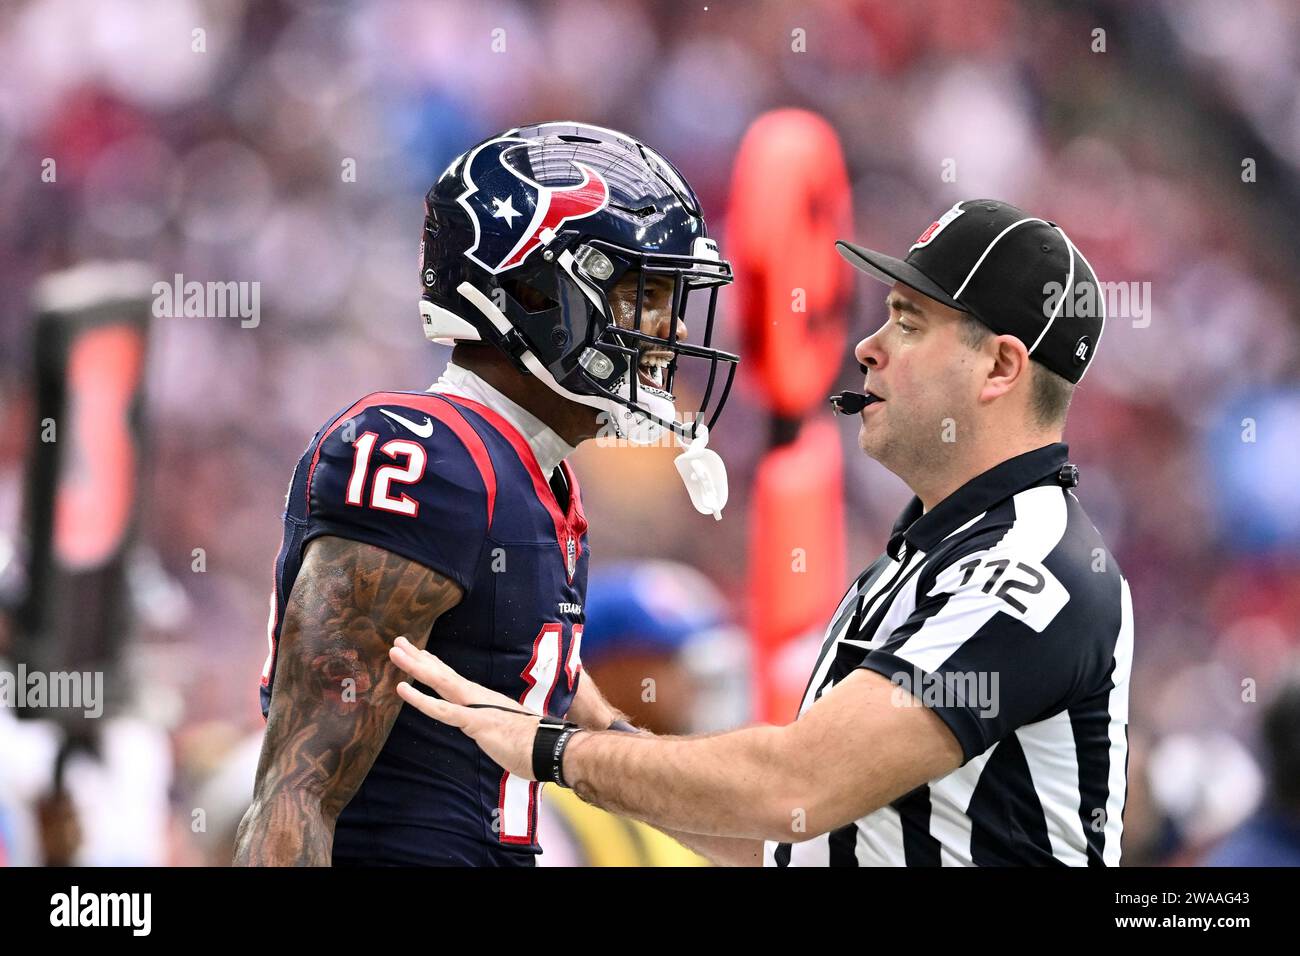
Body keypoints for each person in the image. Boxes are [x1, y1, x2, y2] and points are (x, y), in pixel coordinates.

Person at [392, 199, 1136, 867]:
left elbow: (793, 783)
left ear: (1001, 367)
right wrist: (593, 724)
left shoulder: (1032, 565)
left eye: (909, 321)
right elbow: (790, 840)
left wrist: (549, 751)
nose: (868, 346)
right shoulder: (921, 560)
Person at [233, 121, 739, 866]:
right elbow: (298, 788)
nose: (669, 331)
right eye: (644, 294)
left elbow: (595, 742)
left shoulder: (536, 477)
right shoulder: (427, 459)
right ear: (532, 291)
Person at [535, 560, 749, 866]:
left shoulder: (682, 795)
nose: (693, 684)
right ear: (610, 671)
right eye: (671, 660)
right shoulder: (542, 809)